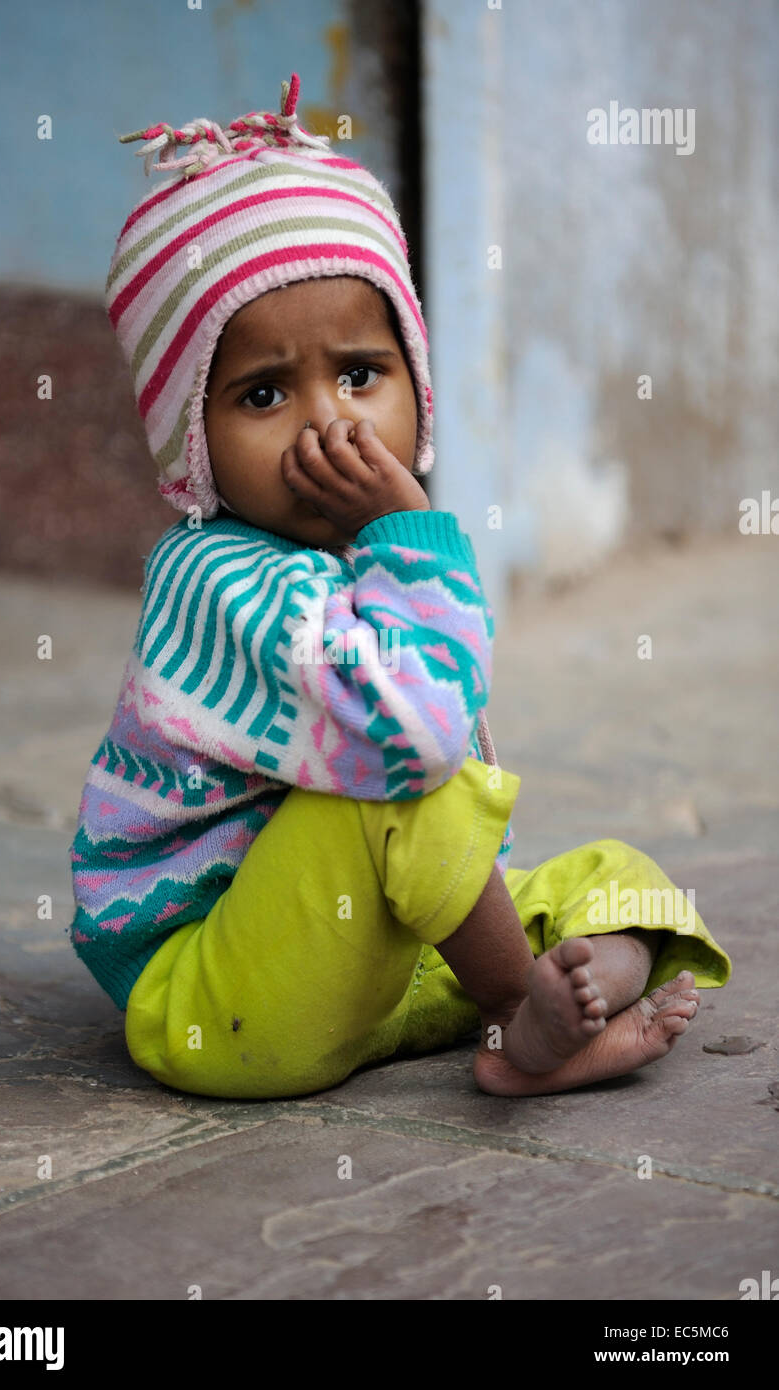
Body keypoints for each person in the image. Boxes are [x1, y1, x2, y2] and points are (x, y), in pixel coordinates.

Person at [68, 73, 731, 1100]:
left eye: (361, 374)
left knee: (616, 877)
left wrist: (391, 544)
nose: (325, 424)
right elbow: (418, 739)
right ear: (190, 443)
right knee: (396, 781)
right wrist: (407, 531)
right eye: (261, 392)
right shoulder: (217, 579)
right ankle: (524, 1019)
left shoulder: (349, 556)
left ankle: (561, 1000)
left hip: (363, 970)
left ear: (416, 386)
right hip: (223, 1000)